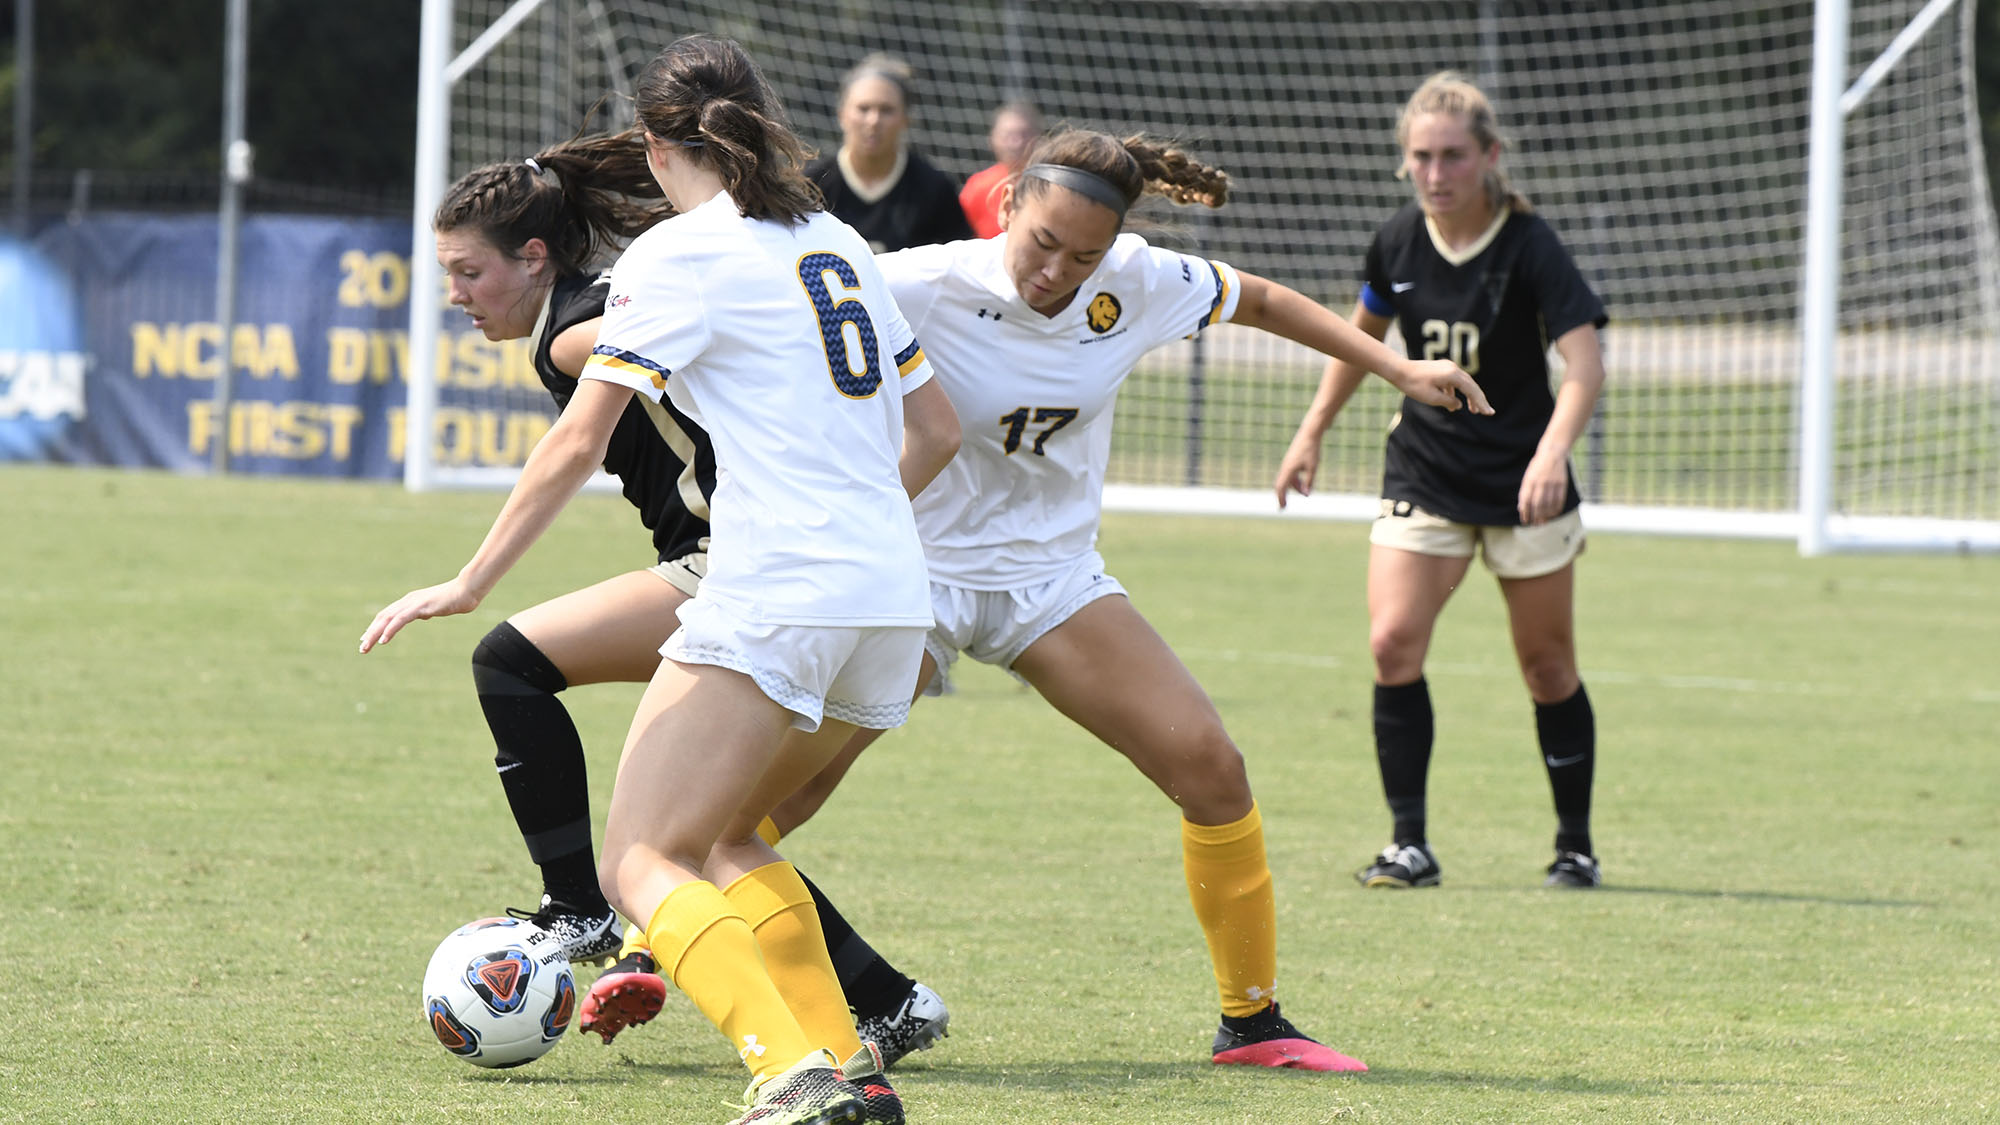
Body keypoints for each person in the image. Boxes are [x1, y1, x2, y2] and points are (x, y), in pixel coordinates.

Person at [603, 126, 1491, 1073]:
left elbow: (1259, 298)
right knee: (768, 802)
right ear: (1009, 203)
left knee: (1212, 767)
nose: (1058, 271)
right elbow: (774, 321)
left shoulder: (1140, 280)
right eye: (1042, 244)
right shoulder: (919, 280)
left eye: (1085, 255)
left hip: (1052, 581)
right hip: (920, 580)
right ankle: (654, 940)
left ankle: (1254, 1021)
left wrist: (1397, 369)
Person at [367, 35, 961, 1125]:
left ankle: (794, 1073)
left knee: (642, 857)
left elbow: (574, 441)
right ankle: (846, 1060)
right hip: (888, 591)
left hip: (774, 585)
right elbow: (935, 428)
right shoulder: (835, 238)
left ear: (653, 146)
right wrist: (853, 526)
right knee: (726, 840)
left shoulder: (677, 255)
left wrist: (466, 579)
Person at [1272, 71, 1608, 892]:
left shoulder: (1531, 245)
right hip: (1425, 467)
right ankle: (1409, 844)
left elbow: (1585, 364)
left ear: (1489, 157)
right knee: (1392, 643)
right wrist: (1311, 430)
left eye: (1453, 155)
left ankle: (1575, 846)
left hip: (1523, 479)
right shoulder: (1396, 242)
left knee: (1547, 667)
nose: (1435, 172)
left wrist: (1551, 454)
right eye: (1420, 156)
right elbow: (1365, 344)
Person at [805, 54, 974, 252]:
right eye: (863, 108)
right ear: (842, 114)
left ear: (906, 119)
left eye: (886, 110)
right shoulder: (811, 185)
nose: (874, 121)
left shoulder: (935, 189)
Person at [958, 101, 1041, 238]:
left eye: (1024, 134)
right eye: (1007, 135)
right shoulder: (978, 186)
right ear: (992, 138)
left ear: (1039, 137)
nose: (1016, 142)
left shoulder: (1049, 186)